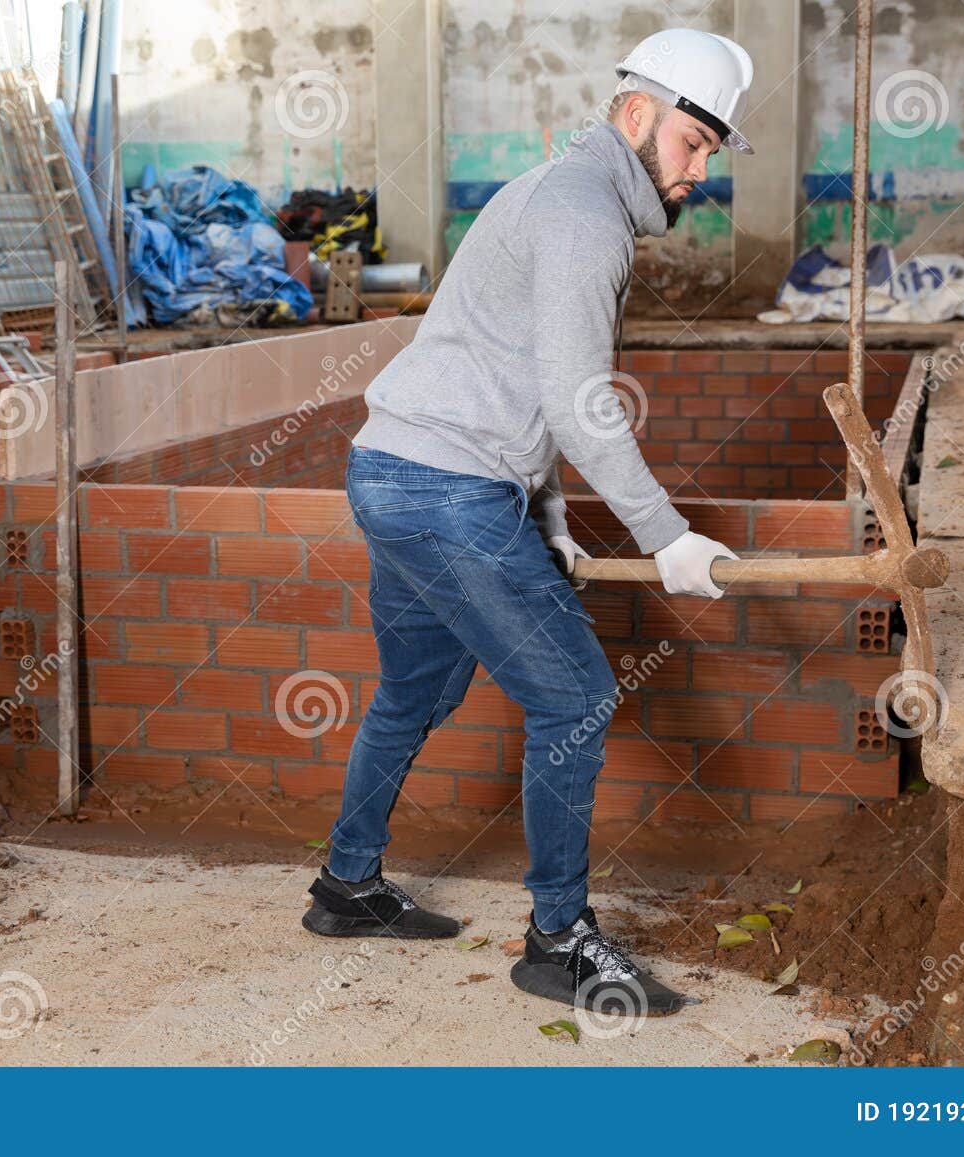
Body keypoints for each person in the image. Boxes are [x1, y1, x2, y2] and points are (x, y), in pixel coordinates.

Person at [303, 29, 757, 1017]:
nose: (698, 170)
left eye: (713, 152)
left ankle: (346, 886)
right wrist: (663, 532)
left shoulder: (554, 191)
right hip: (443, 489)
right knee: (578, 698)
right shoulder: (585, 213)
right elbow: (577, 396)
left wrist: (544, 511)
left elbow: (506, 368)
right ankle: (558, 937)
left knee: (413, 691)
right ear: (637, 114)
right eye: (690, 142)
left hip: (393, 468)